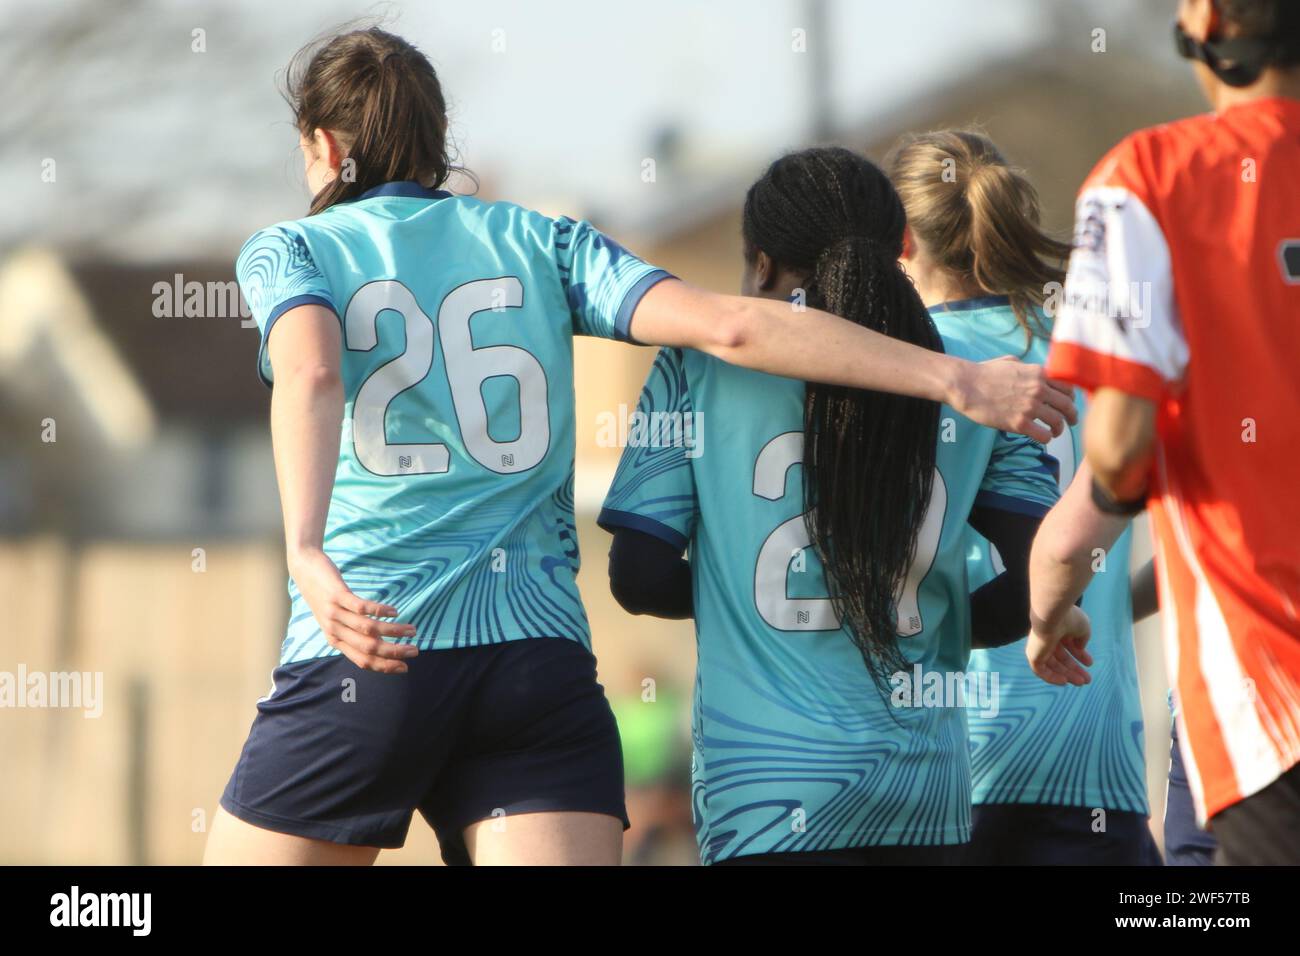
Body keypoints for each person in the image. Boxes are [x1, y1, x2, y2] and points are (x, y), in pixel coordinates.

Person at [202, 28, 1073, 867]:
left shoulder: (291, 248)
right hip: (533, 666)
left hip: (371, 649)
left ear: (321, 145)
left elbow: (314, 374)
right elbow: (733, 325)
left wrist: (308, 552)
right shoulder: (544, 241)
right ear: (439, 142)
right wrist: (951, 378)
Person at [599, 147, 1060, 865]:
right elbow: (1015, 602)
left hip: (764, 793)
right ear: (899, 250)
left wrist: (747, 590)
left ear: (759, 266)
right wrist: (899, 603)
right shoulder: (976, 378)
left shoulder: (695, 364)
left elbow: (638, 576)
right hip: (921, 792)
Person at [1029, 0, 1300, 865]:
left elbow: (1116, 449)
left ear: (1206, 20)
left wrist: (1057, 600)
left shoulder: (1148, 176)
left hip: (1270, 685)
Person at [888, 130, 1158, 865]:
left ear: (902, 239)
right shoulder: (1098, 353)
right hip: (1096, 751)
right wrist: (1092, 608)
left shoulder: (913, 366)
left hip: (954, 753)